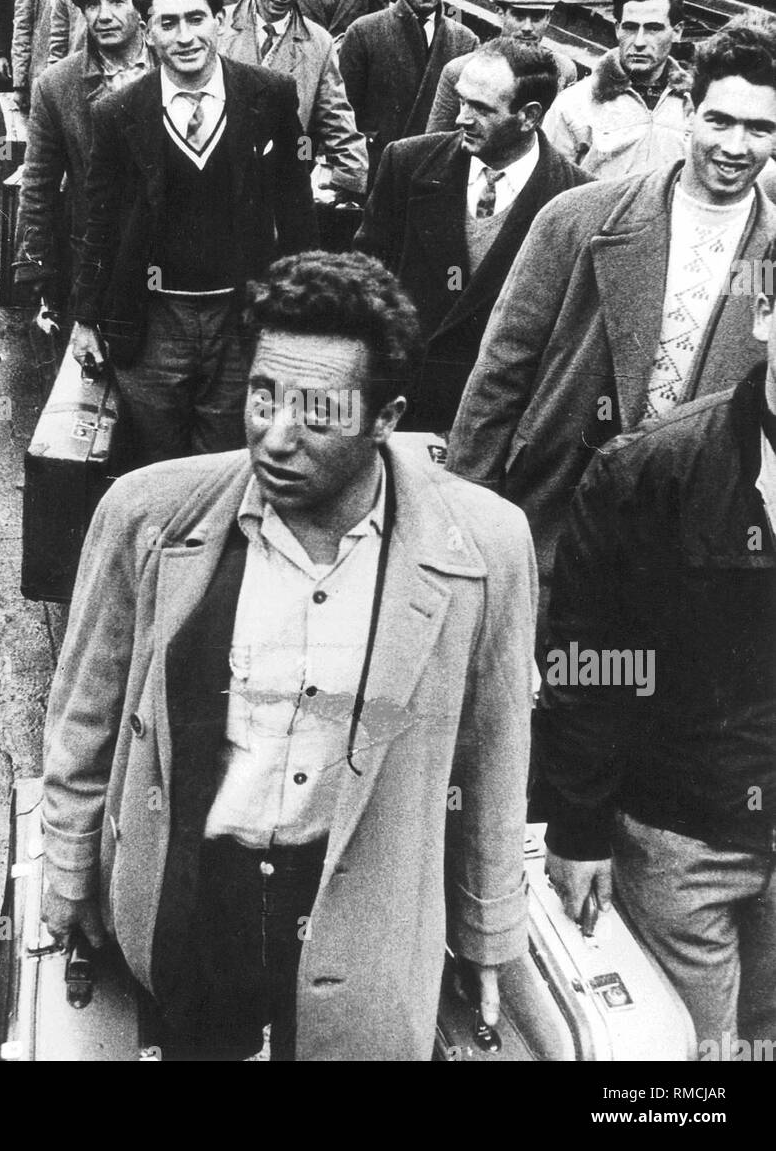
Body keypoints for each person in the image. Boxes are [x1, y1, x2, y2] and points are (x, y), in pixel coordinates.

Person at [41, 247, 538, 1061]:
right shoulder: (147, 514)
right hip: (190, 898)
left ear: (386, 418)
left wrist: (489, 927)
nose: (275, 436)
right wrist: (67, 862)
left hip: (366, 904)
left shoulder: (484, 545)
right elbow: (85, 712)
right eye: (262, 397)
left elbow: (494, 751)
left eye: (317, 412)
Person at [535, 231, 776, 1053]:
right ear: (766, 312)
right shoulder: (649, 470)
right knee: (687, 1077)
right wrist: (576, 829)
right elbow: (591, 666)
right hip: (685, 839)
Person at [446, 23, 776, 604]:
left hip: (697, 551)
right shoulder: (576, 218)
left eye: (760, 129)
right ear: (689, 113)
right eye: (719, 120)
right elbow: (501, 372)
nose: (734, 146)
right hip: (555, 517)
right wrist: (465, 514)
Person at [69, 0, 317, 462]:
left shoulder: (269, 95)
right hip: (155, 319)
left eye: (196, 19)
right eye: (168, 23)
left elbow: (296, 208)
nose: (185, 36)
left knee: (225, 456)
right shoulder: (117, 114)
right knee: (159, 457)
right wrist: (85, 318)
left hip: (239, 314)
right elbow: (99, 220)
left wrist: (301, 309)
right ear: (149, 34)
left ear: (221, 22)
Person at [356, 38, 590, 434]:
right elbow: (364, 281)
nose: (461, 118)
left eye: (480, 109)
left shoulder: (575, 200)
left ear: (530, 117)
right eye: (462, 101)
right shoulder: (407, 163)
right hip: (398, 408)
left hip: (492, 421)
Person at [14, 0, 149, 316]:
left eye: (117, 1)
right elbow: (39, 180)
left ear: (141, 8)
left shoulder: (171, 67)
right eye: (92, 4)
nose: (104, 15)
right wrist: (33, 262)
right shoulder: (57, 85)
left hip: (167, 251)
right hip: (95, 254)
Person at [219, 0, 368, 206]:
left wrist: (347, 181)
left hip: (281, 179)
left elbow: (336, 116)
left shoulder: (318, 42)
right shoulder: (219, 26)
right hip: (218, 177)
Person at [339, 0, 478, 188]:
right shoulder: (364, 31)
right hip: (378, 167)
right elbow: (345, 113)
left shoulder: (464, 40)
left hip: (436, 171)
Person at [543, 0, 692, 179]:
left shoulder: (696, 103)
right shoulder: (575, 103)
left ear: (677, 32)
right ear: (617, 29)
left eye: (653, 28)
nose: (639, 42)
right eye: (630, 28)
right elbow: (550, 185)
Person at [426, 0, 577, 131]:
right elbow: (436, 142)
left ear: (548, 19)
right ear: (500, 14)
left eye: (537, 17)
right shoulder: (460, 70)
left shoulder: (562, 69)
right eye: (518, 16)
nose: (527, 27)